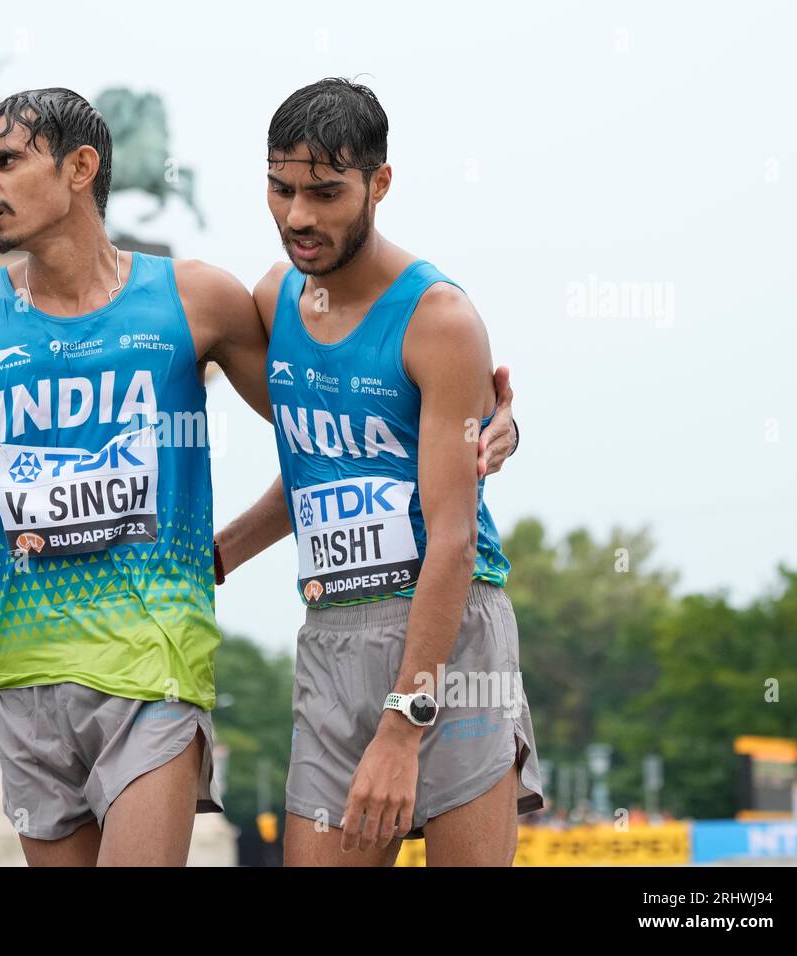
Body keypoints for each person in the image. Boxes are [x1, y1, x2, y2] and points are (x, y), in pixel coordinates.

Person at [0, 86, 518, 867]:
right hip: (47, 672)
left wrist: (485, 428)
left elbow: (373, 448)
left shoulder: (205, 301)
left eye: (6, 162)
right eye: (280, 191)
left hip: (199, 665)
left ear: (81, 167)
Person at [216, 78, 543, 866]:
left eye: (326, 192)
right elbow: (318, 467)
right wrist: (215, 558)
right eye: (280, 188)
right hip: (332, 637)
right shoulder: (274, 298)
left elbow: (455, 541)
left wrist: (403, 723)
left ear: (380, 183)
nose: (299, 216)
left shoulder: (439, 320)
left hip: (451, 635)